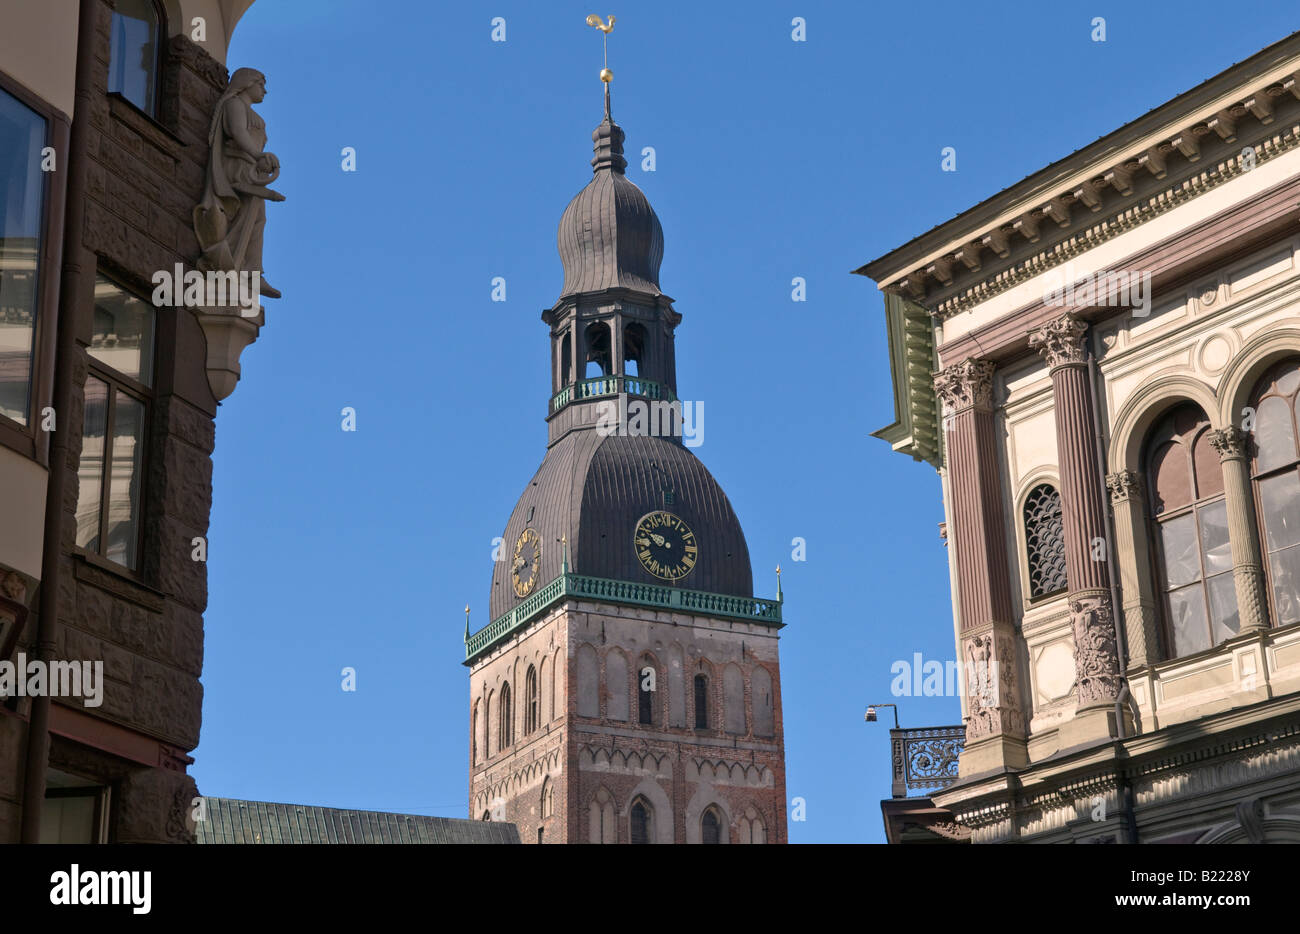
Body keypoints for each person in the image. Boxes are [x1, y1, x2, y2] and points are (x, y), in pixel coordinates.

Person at [193, 67, 284, 299]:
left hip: (252, 170)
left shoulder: (253, 113)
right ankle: (231, 265)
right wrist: (259, 156)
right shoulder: (234, 104)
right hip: (238, 168)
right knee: (249, 214)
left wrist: (261, 161)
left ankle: (250, 272)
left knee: (258, 218)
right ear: (247, 83)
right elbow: (239, 133)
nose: (265, 90)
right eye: (261, 84)